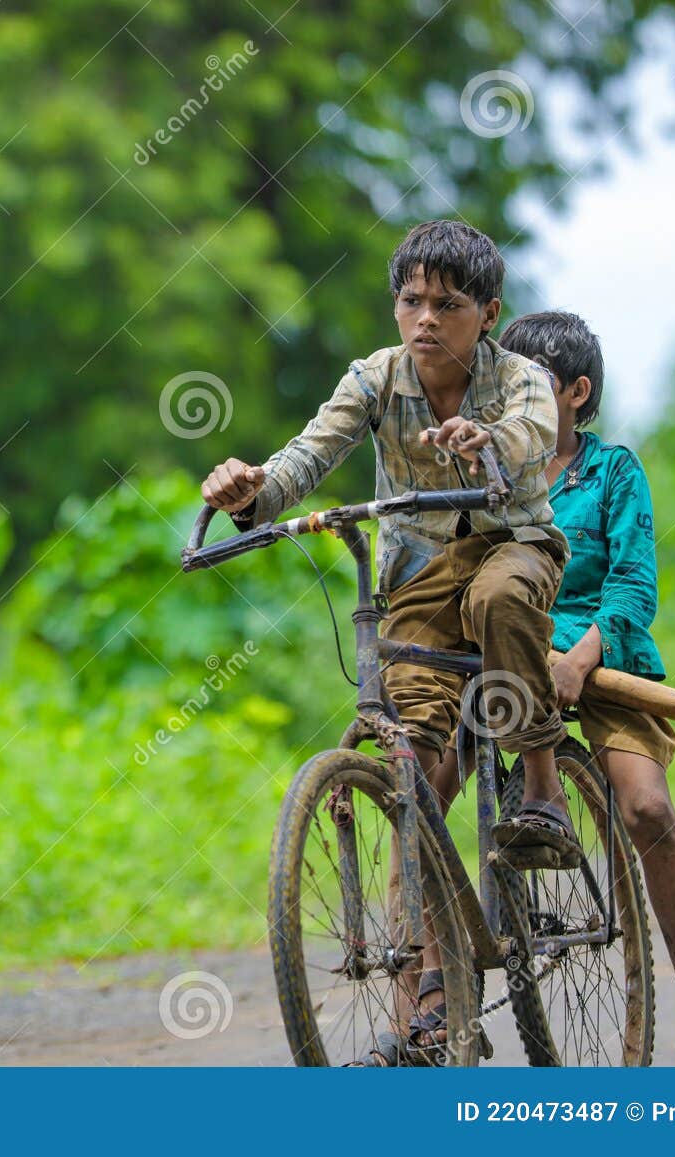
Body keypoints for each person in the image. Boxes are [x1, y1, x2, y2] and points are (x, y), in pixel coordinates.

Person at [201, 220, 577, 1064]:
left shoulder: (519, 378)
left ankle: (544, 786)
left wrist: (485, 442)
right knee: (413, 760)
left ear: (488, 312)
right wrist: (249, 489)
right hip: (414, 574)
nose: (426, 319)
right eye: (412, 300)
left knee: (502, 594)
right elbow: (307, 455)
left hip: (507, 544)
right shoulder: (375, 377)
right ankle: (430, 1009)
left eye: (448, 304)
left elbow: (530, 439)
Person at [488, 310, 675, 1067]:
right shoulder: (489, 469)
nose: (514, 404)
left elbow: (633, 586)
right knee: (428, 770)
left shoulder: (614, 473)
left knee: (647, 804)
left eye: (531, 389)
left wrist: (583, 656)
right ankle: (424, 1001)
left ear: (575, 393)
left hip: (602, 662)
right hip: (507, 659)